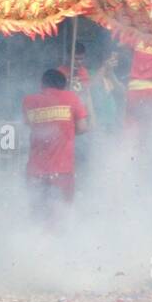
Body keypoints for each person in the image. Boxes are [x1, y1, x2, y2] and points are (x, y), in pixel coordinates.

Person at [23, 68, 89, 214]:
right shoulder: (71, 98)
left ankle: (33, 237)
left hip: (35, 170)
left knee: (37, 214)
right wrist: (68, 131)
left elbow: (29, 123)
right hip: (62, 170)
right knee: (61, 214)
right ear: (64, 85)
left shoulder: (29, 101)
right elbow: (83, 127)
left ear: (42, 85)